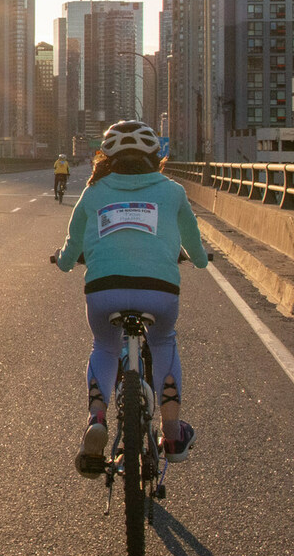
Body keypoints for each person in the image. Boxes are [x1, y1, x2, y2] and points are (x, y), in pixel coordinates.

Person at [49, 120, 208, 476]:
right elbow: (195, 246)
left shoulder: (93, 192)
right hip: (160, 292)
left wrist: (63, 263)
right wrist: (199, 260)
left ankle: (97, 418)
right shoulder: (173, 191)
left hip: (104, 290)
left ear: (106, 157)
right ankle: (171, 432)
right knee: (164, 341)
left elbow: (72, 245)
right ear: (156, 156)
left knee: (105, 347)